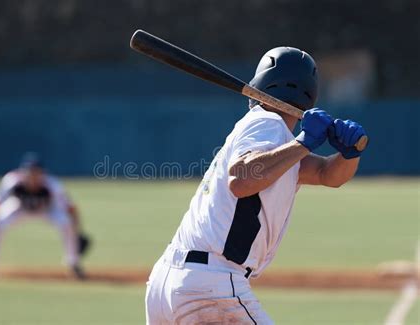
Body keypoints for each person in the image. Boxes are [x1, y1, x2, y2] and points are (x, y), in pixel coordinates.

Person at [145, 47, 367, 324]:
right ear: (311, 94)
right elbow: (241, 179)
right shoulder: (268, 122)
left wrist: (349, 153)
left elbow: (326, 174)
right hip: (209, 288)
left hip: (171, 283)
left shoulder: (275, 143)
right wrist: (304, 141)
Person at [0, 152, 91, 279]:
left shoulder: (52, 185)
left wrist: (78, 231)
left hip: (47, 210)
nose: (32, 175)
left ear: (42, 173)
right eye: (29, 172)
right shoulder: (11, 181)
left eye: (36, 172)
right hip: (19, 208)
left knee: (66, 223)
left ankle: (74, 264)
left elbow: (71, 209)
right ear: (23, 172)